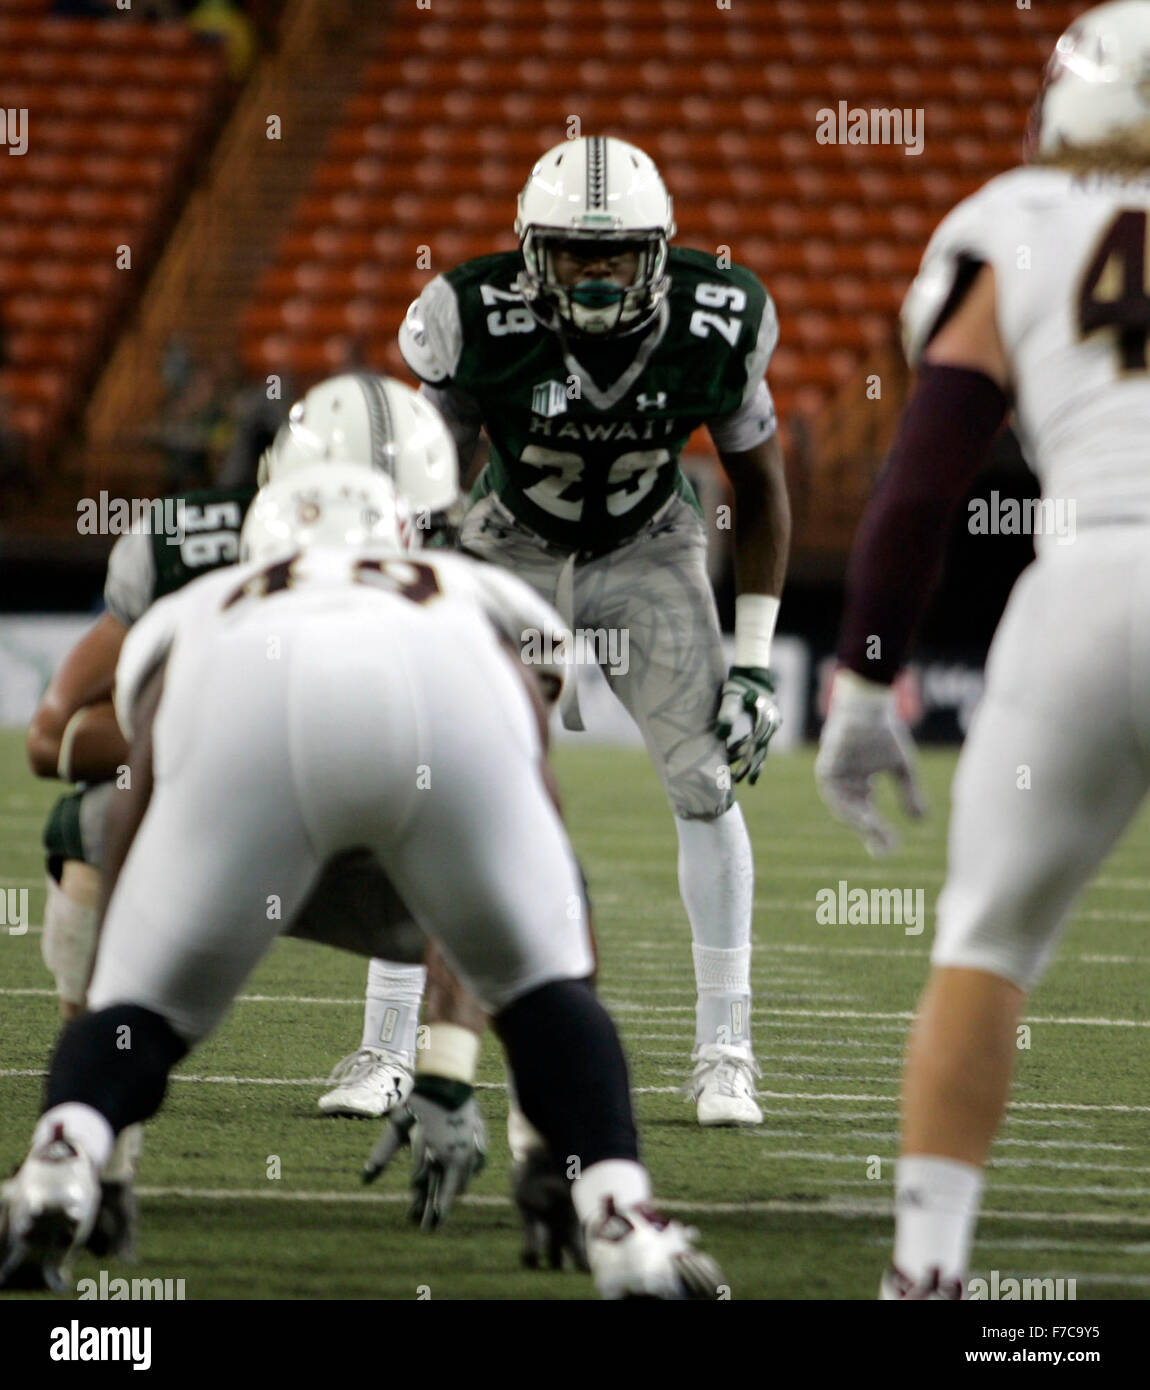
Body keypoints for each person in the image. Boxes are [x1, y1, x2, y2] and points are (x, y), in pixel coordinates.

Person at [0, 464, 724, 1300]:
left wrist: (125, 978)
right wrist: (491, 1077)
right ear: (402, 530)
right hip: (444, 705)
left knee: (143, 1016)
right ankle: (620, 1215)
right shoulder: (463, 582)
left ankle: (65, 1152)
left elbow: (135, 793)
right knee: (544, 988)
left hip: (244, 720)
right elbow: (530, 769)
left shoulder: (202, 602)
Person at [815, 0, 1150, 1299]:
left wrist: (859, 679)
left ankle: (927, 1267)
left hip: (1076, 592)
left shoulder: (1012, 217)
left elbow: (918, 484)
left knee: (986, 940)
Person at [392, 134, 791, 1127]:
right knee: (428, 775)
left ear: (661, 252)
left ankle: (724, 1049)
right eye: (573, 251)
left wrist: (752, 662)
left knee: (702, 779)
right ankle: (389, 1047)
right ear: (532, 251)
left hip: (650, 540)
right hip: (507, 538)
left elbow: (765, 494)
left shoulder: (717, 318)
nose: (598, 271)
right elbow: (424, 472)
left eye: (615, 253)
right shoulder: (472, 312)